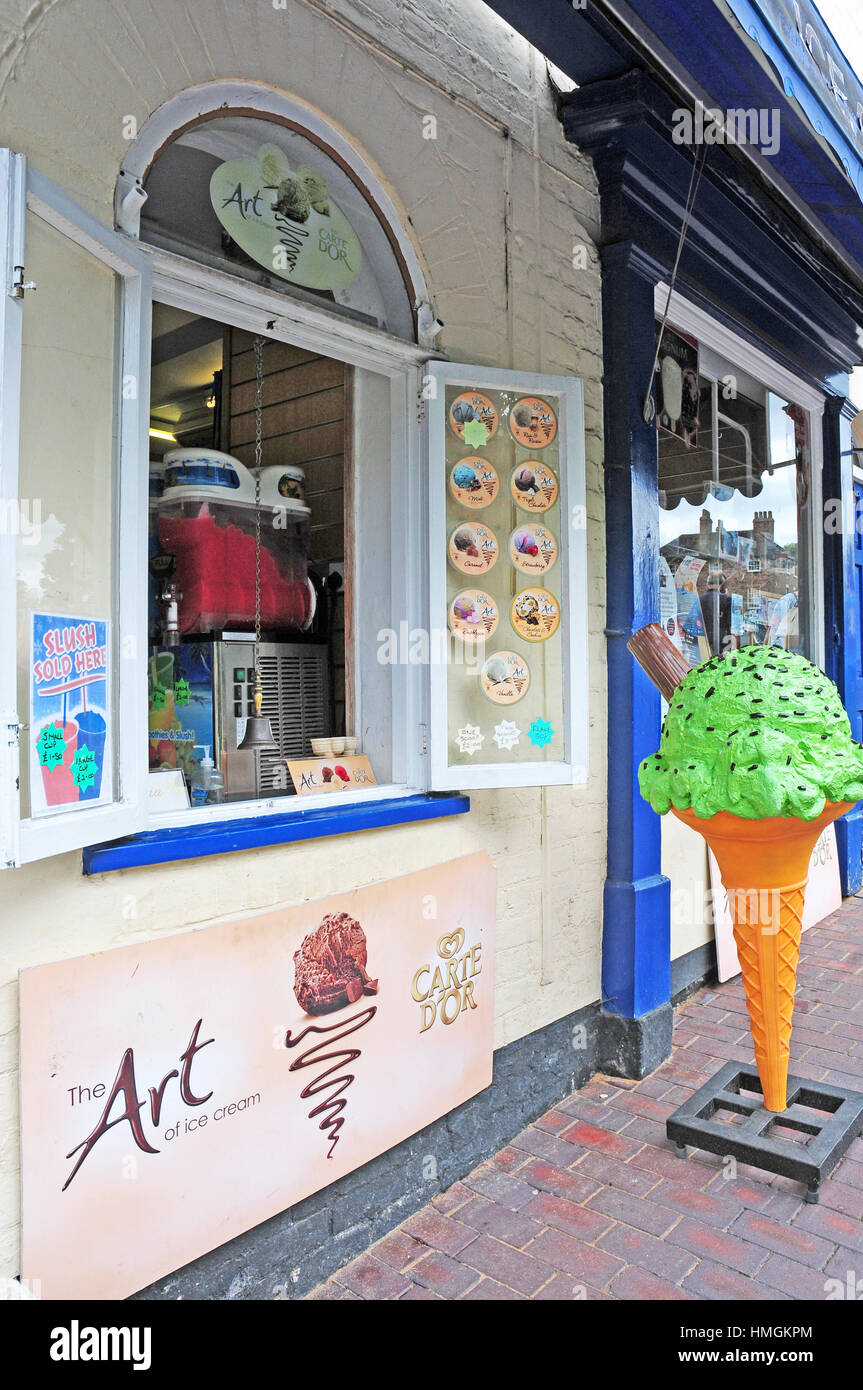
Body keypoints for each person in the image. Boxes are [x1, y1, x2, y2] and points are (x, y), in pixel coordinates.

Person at [701, 570, 732, 656]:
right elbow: (732, 625)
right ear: (723, 584)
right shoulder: (726, 599)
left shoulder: (700, 599)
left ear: (708, 584)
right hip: (724, 644)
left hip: (704, 644)